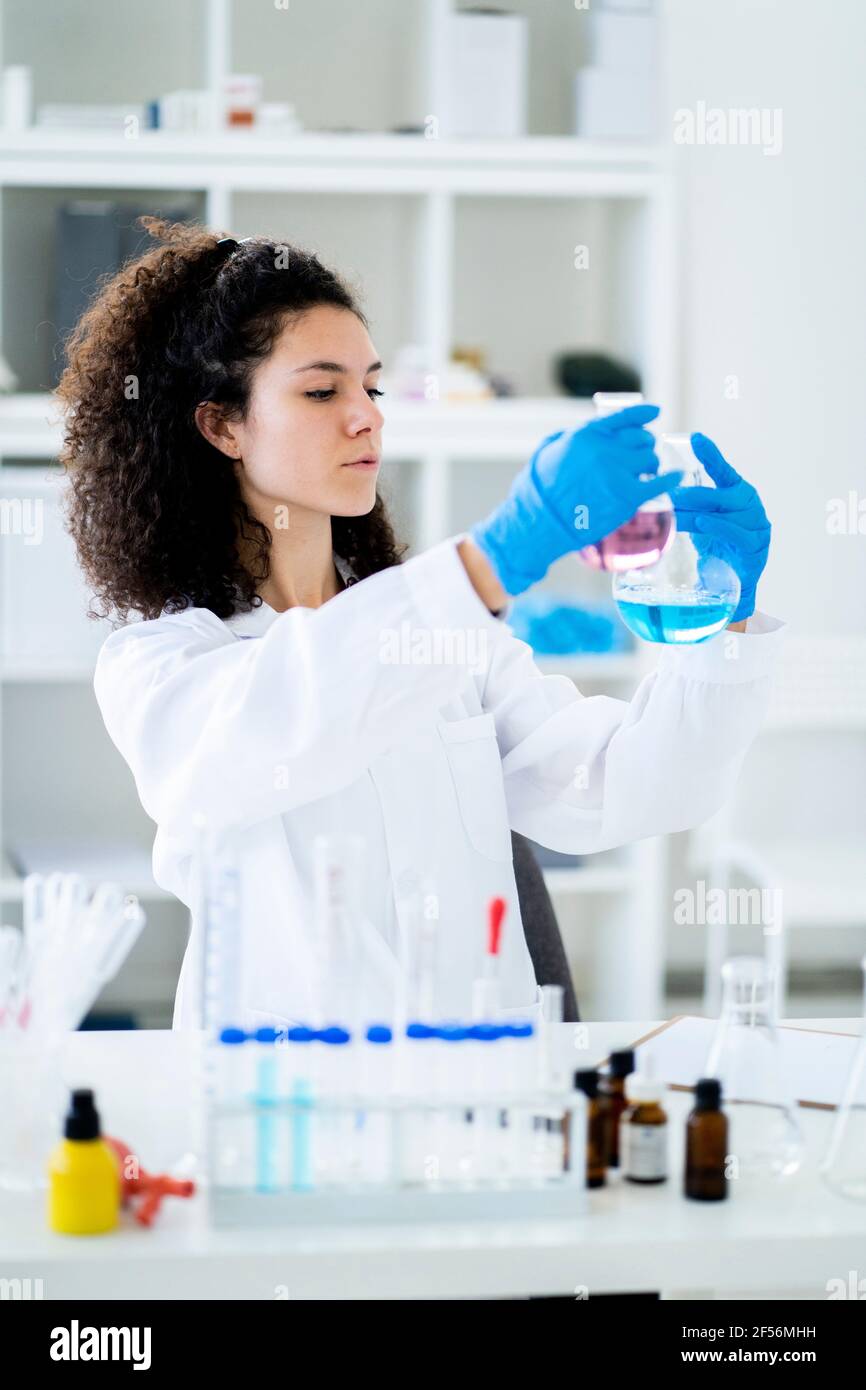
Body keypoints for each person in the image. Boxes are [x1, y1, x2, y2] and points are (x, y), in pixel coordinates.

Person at [59, 219, 779, 1030]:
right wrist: (498, 557)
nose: (366, 416)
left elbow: (625, 788)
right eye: (322, 391)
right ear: (221, 425)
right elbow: (299, 710)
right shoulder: (163, 661)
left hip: (481, 1093)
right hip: (282, 1111)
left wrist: (727, 613)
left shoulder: (452, 638)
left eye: (371, 387)